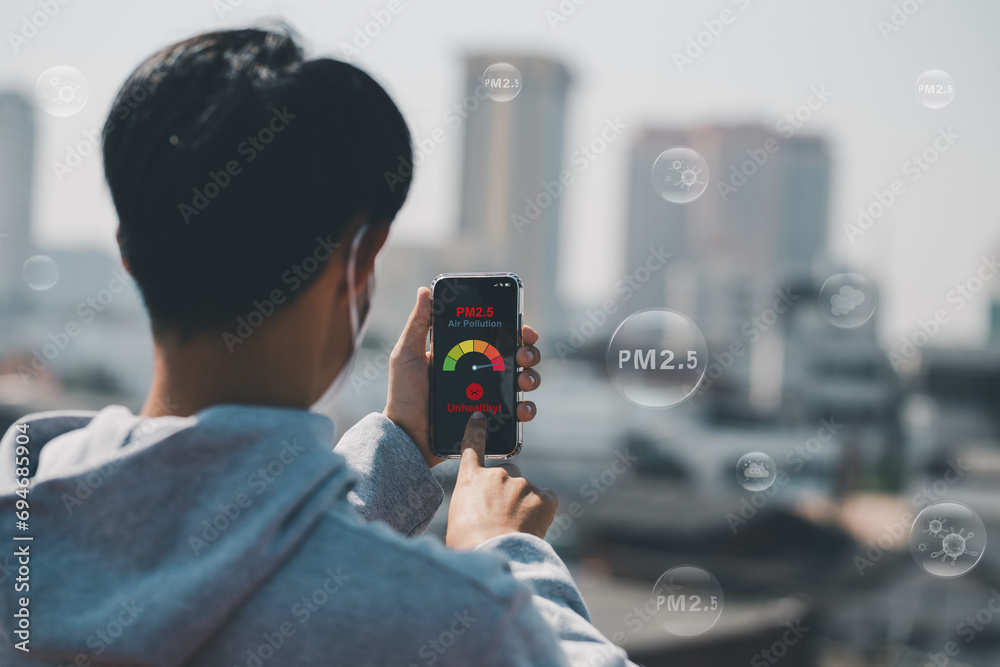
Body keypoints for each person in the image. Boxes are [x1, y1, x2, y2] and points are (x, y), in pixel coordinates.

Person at [0, 27, 637, 666]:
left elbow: (221, 546)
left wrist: (402, 443)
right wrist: (502, 552)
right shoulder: (458, 623)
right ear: (360, 261)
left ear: (128, 253)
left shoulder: (30, 500)